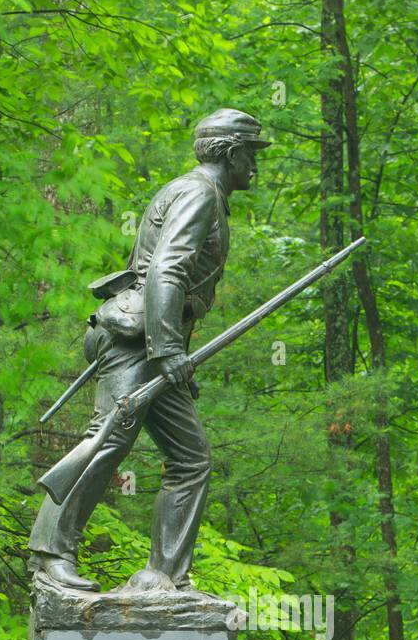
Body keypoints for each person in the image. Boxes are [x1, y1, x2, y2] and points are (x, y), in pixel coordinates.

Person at [29, 108, 270, 591]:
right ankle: (50, 554)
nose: (255, 165)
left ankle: (163, 578)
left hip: (156, 342)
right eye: (250, 152)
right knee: (109, 438)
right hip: (139, 340)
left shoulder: (206, 195)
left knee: (191, 458)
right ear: (229, 152)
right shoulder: (199, 193)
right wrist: (165, 350)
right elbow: (167, 271)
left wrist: (174, 350)